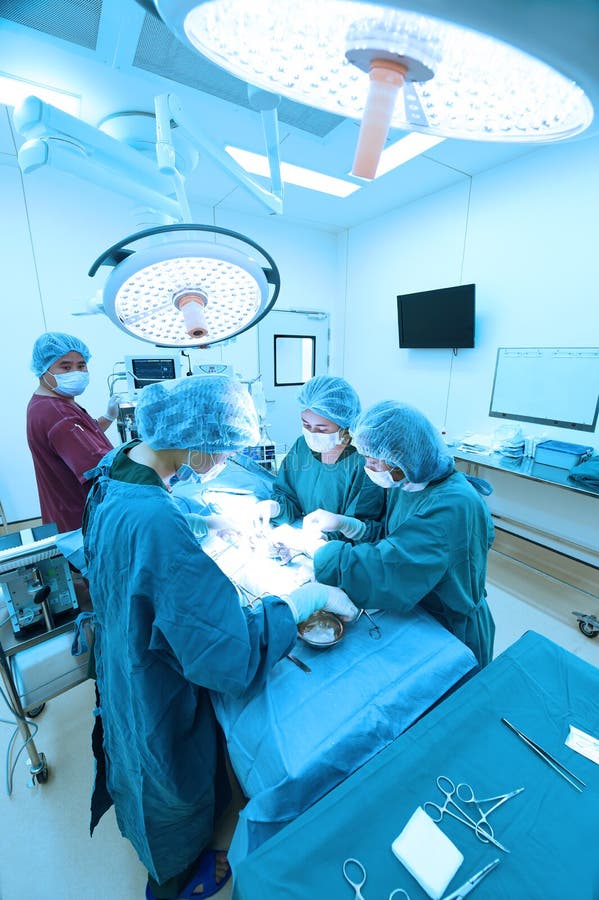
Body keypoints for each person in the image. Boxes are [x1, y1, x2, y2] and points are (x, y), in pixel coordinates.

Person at [82, 374, 354, 900]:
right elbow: (226, 654)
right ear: (199, 437)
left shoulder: (115, 471)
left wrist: (200, 518)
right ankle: (174, 874)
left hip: (120, 648)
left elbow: (141, 547)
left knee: (140, 751)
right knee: (165, 770)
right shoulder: (155, 523)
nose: (225, 459)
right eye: (226, 448)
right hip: (152, 680)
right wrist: (297, 603)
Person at [312, 401, 496, 667]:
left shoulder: (452, 506)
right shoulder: (410, 482)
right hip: (419, 607)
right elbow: (395, 537)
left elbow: (386, 569)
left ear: (403, 457)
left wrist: (321, 553)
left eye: (373, 461)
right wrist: (348, 525)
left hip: (449, 628)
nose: (368, 467)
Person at [255, 375, 385, 542]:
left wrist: (321, 540)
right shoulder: (302, 446)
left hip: (341, 555)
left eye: (322, 429)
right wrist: (274, 508)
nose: (312, 434)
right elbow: (289, 497)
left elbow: (360, 528)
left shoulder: (364, 463)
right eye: (306, 425)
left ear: (345, 425)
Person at [27, 332, 118, 533]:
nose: (76, 372)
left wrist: (108, 417)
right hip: (84, 522)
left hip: (65, 515)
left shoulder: (49, 402)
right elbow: (102, 468)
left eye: (81, 365)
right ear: (43, 368)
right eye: (65, 367)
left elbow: (81, 436)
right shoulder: (57, 413)